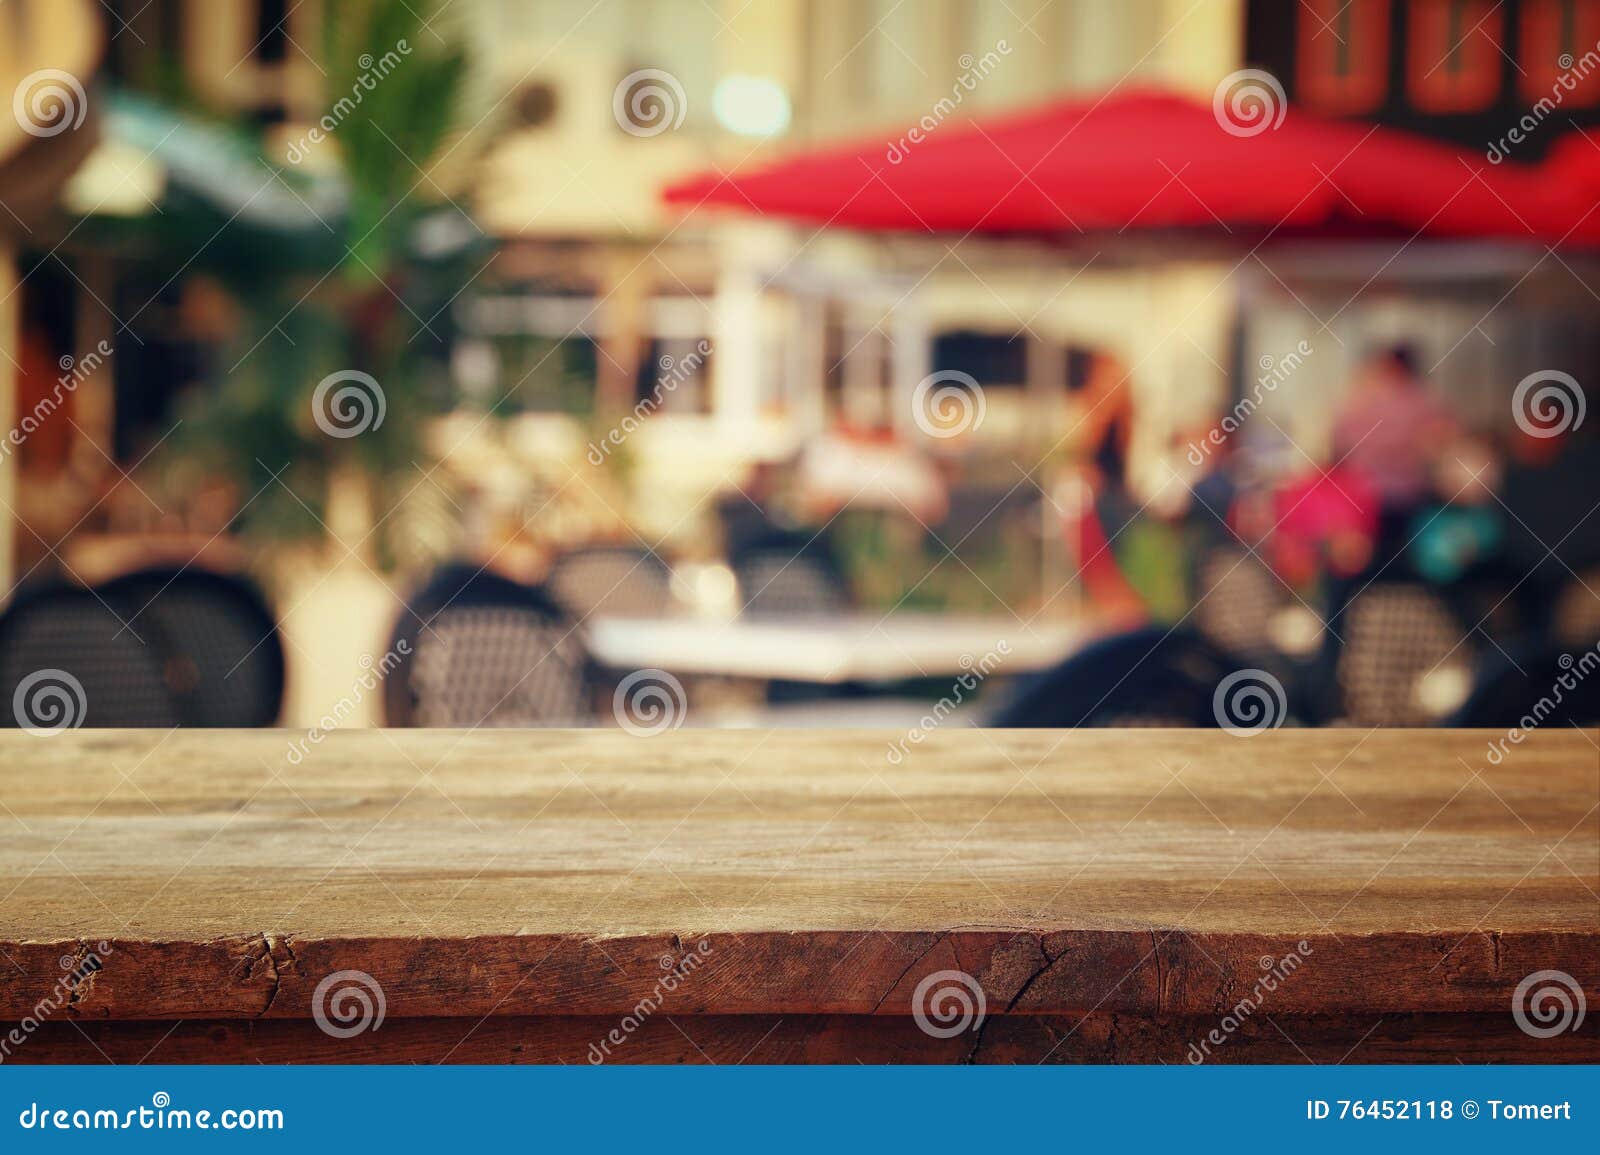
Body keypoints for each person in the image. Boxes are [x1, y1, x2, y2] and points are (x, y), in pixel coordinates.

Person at [1331, 344, 1458, 563]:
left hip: (1367, 493)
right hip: (1409, 493)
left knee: (1366, 559)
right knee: (1408, 556)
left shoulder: (1359, 398)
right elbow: (1441, 443)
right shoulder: (1424, 398)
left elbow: (1339, 444)